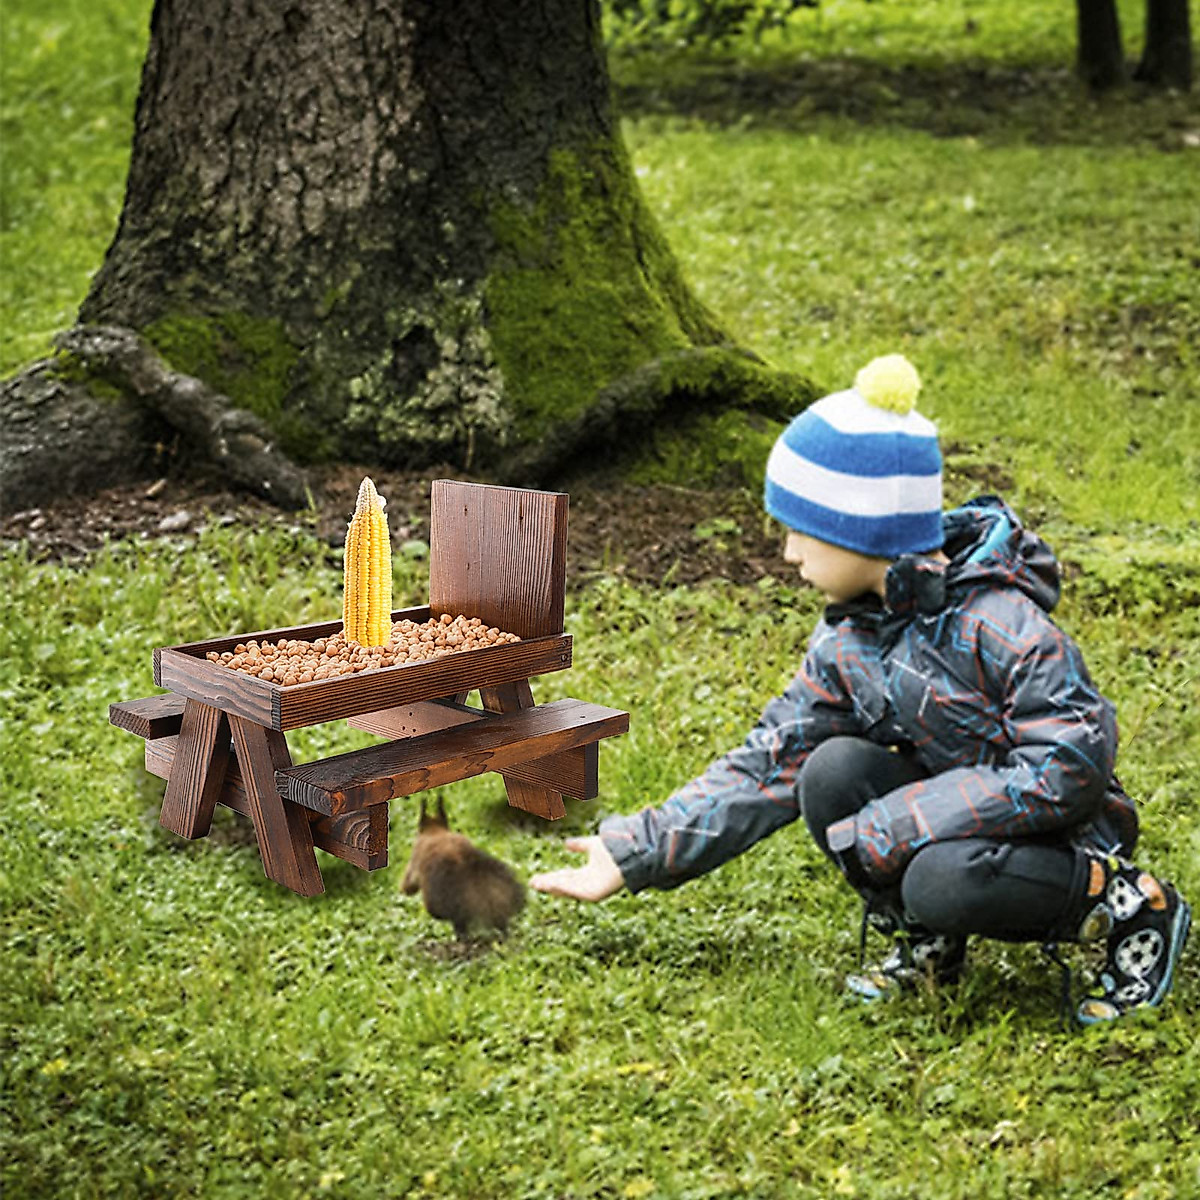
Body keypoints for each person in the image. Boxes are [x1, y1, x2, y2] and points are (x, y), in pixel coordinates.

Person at [530, 354, 1191, 1025]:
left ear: (863, 532)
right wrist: (636, 849)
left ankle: (1133, 908)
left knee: (940, 878)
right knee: (829, 771)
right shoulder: (849, 638)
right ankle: (930, 945)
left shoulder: (1004, 624)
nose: (789, 554)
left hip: (1062, 834)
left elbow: (1071, 765)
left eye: (802, 532)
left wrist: (909, 820)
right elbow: (770, 761)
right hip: (953, 819)